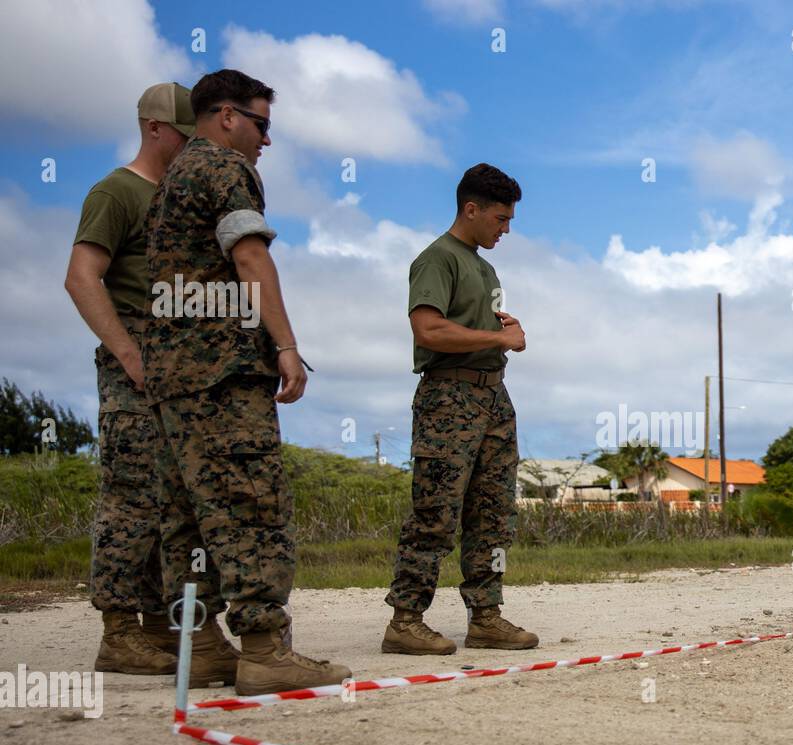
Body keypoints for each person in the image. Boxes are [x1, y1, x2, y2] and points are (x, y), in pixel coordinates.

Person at [144, 69, 351, 692]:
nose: (266, 140)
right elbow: (250, 254)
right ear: (227, 116)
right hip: (222, 371)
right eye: (261, 124)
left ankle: (202, 645)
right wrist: (285, 344)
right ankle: (264, 649)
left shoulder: (174, 177)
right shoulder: (223, 170)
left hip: (174, 375)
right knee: (250, 504)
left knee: (187, 512)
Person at [381, 163, 538, 655]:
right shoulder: (437, 259)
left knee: (493, 515)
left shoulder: (484, 267)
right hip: (449, 398)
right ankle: (405, 620)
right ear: (470, 209)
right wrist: (498, 337)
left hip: (492, 397)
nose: (506, 229)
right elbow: (428, 330)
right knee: (435, 513)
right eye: (499, 218)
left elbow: (471, 327)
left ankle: (486, 616)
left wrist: (503, 332)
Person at [65, 82, 195, 675]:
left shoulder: (179, 197)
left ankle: (154, 626)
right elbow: (81, 277)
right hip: (136, 361)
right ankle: (117, 632)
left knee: (173, 500)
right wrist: (128, 354)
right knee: (132, 495)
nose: (190, 147)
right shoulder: (116, 191)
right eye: (182, 136)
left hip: (179, 363)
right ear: (153, 128)